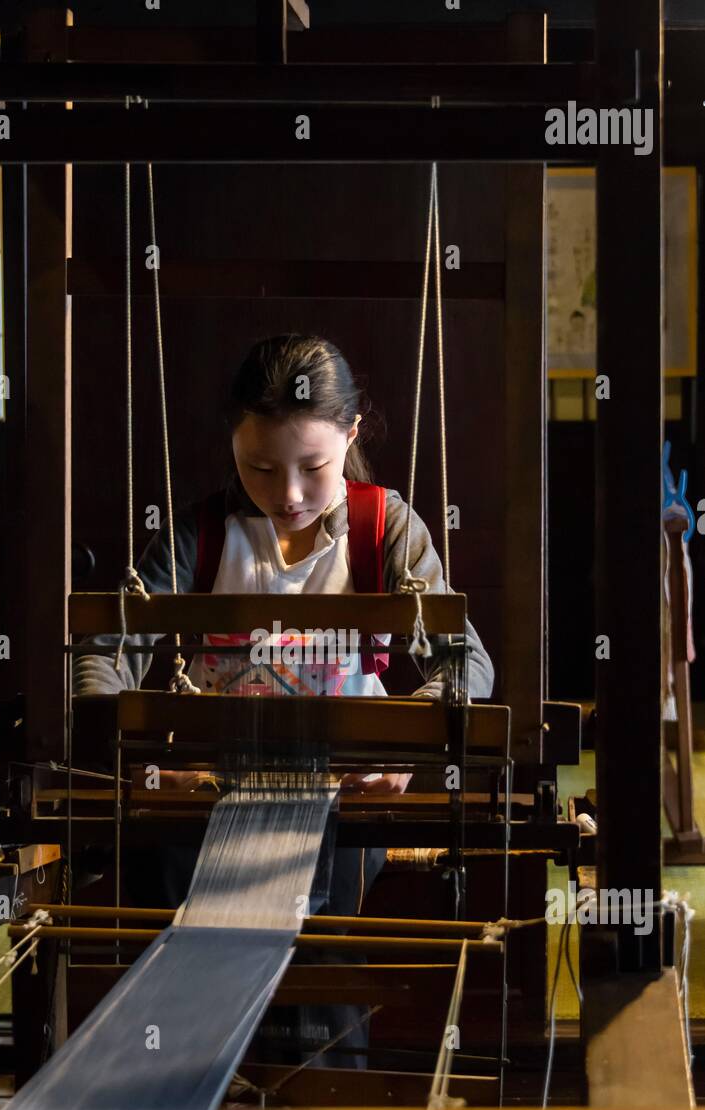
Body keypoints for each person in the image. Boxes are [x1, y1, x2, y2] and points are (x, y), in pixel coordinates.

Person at [74, 333, 494, 1070]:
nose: (289, 495)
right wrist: (130, 753)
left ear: (352, 435)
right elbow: (105, 651)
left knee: (316, 959)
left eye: (313, 468)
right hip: (206, 798)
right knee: (179, 948)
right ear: (231, 445)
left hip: (338, 800)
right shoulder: (200, 534)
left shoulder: (382, 528)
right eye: (260, 467)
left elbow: (464, 662)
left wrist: (402, 748)